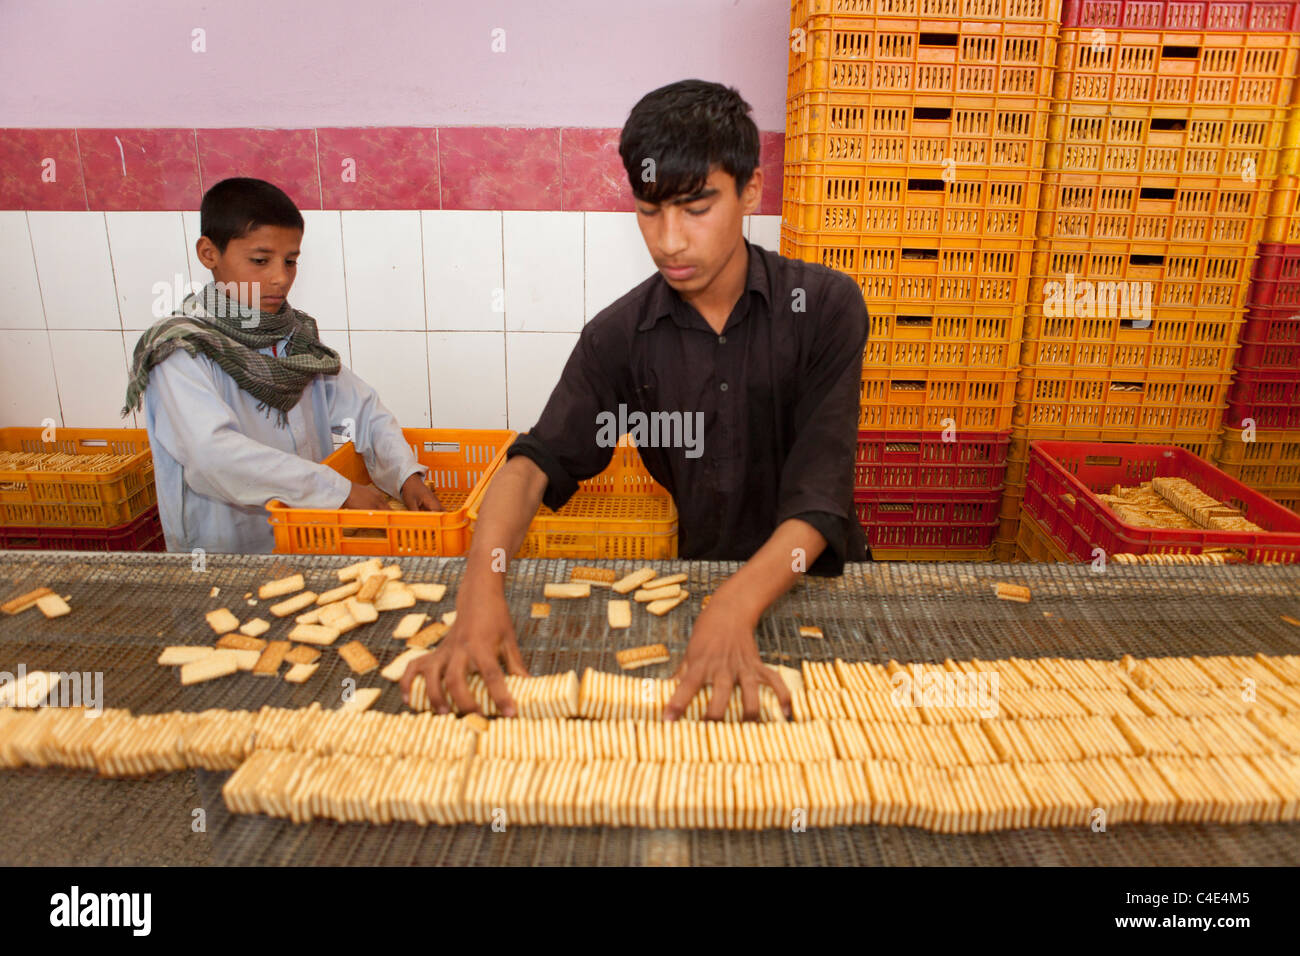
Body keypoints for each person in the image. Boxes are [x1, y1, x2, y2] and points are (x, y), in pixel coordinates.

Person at [402, 79, 869, 721]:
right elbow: (534, 462)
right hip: (701, 589)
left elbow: (821, 495)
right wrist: (481, 587)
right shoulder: (621, 337)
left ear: (751, 190)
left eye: (696, 207)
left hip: (823, 590)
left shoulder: (824, 309)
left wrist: (735, 607)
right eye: (649, 211)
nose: (669, 240)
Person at [123, 177, 441, 553]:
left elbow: (363, 409)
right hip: (226, 555)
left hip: (308, 540)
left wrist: (405, 475)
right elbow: (214, 456)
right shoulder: (181, 351)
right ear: (209, 253)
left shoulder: (293, 338)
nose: (280, 277)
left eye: (291, 261)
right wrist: (336, 491)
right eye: (260, 260)